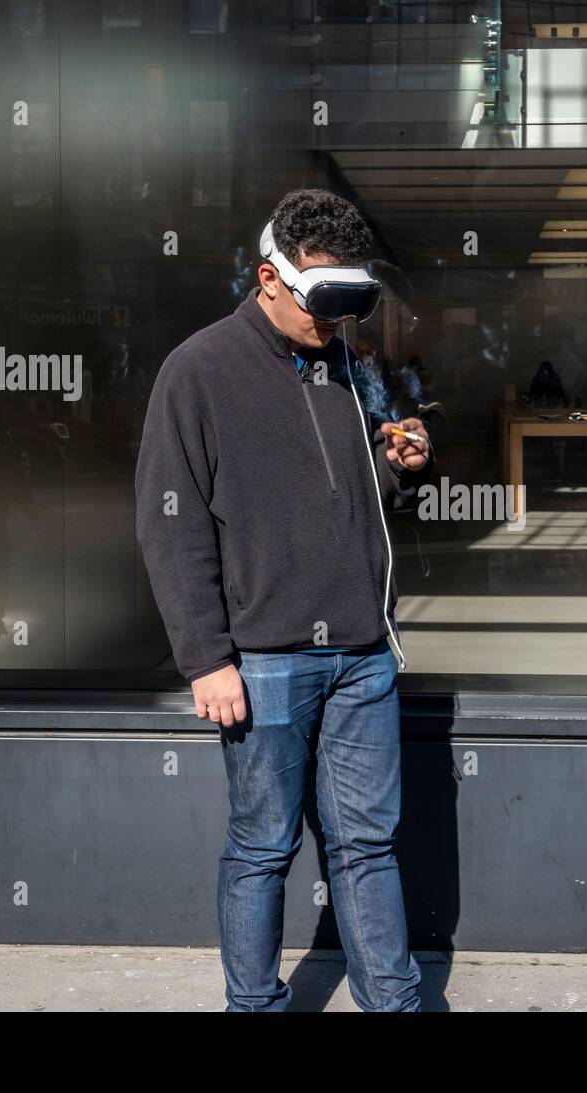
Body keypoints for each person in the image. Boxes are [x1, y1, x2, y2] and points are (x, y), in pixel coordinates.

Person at [134, 188, 432, 1012]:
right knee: (262, 848)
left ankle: (395, 1005)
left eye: (351, 303)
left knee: (368, 847)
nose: (337, 323)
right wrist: (205, 660)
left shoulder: (348, 366)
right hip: (263, 662)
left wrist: (402, 468)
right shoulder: (197, 372)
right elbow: (171, 525)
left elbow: (361, 494)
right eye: (324, 303)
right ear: (270, 277)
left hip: (363, 658)